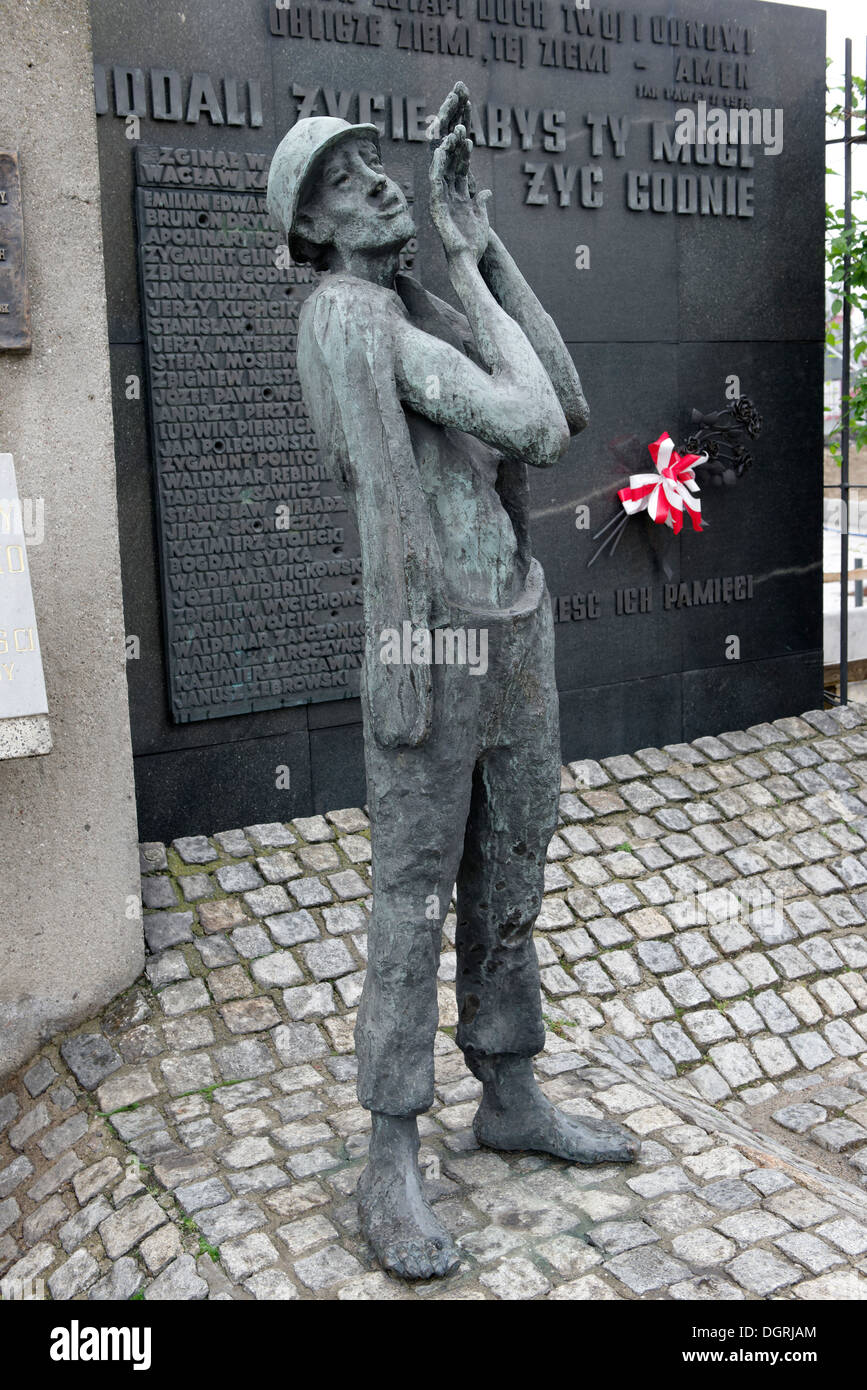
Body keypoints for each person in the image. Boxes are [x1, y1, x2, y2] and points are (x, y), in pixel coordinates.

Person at [267, 84, 639, 1281]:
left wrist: (481, 251)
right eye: (343, 180)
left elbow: (568, 399)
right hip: (433, 642)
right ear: (313, 229)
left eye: (375, 165)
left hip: (511, 618)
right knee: (413, 892)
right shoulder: (349, 320)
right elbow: (532, 425)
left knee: (517, 853)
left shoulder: (407, 300)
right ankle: (389, 1153)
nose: (377, 183)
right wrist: (473, 282)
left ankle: (510, 1082)